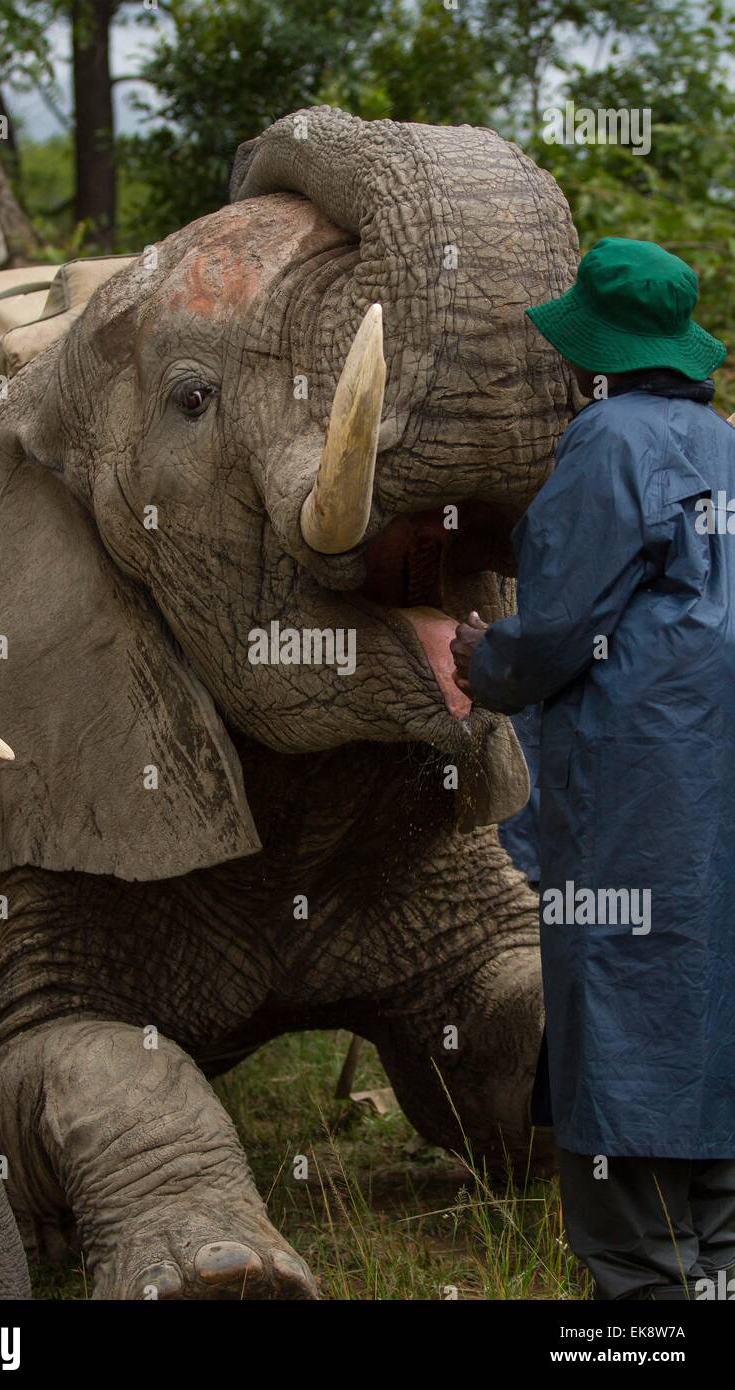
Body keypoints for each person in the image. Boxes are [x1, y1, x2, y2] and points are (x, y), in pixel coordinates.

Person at [451, 237, 735, 1301]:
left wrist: (486, 658)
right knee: (709, 983)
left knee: (620, 983)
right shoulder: (720, 441)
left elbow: (557, 626)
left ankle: (644, 1288)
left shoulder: (603, 437)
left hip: (634, 769)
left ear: (598, 353)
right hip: (711, 772)